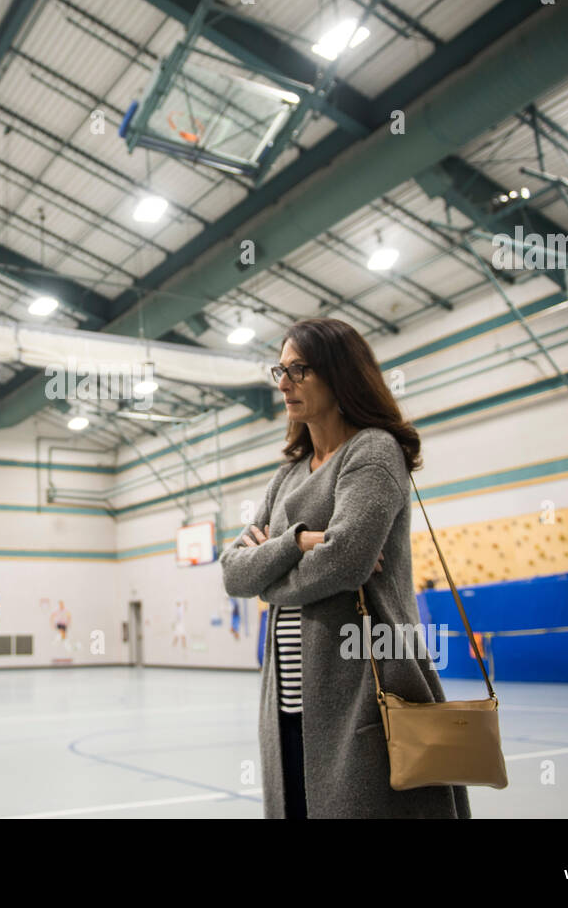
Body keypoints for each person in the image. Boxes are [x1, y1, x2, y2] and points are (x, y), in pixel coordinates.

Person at [220, 318, 470, 819]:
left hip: (361, 694)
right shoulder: (287, 475)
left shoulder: (372, 451)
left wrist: (272, 578)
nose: (283, 382)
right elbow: (232, 572)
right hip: (289, 707)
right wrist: (299, 542)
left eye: (299, 369)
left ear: (340, 375)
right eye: (280, 370)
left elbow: (345, 563)